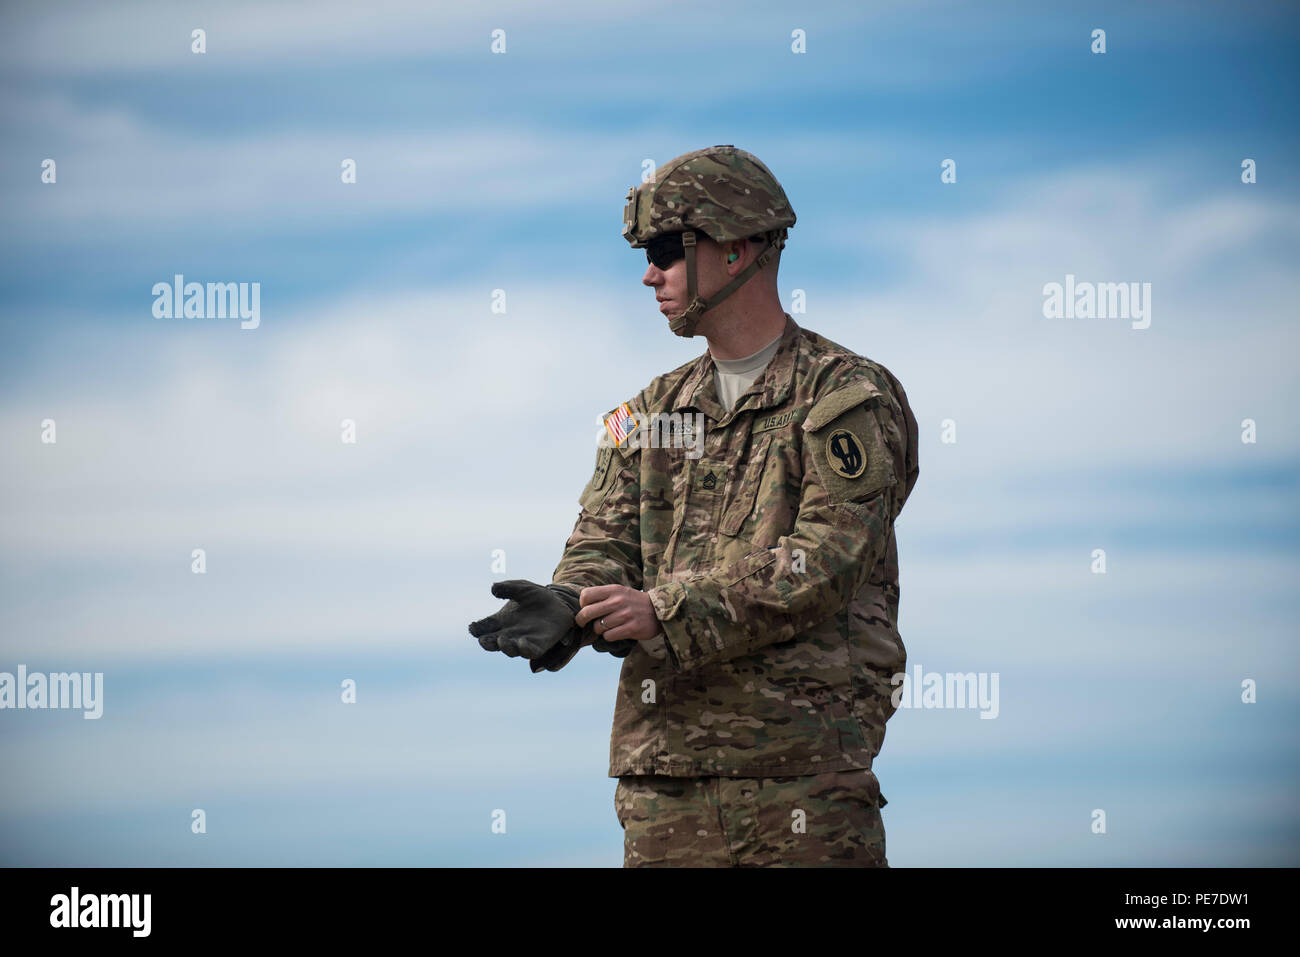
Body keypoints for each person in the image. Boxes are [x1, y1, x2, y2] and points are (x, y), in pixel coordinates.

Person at [469, 145, 919, 867]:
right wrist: (570, 600)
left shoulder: (847, 396)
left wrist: (666, 610)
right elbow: (603, 540)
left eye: (668, 251)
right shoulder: (641, 412)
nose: (651, 273)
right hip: (663, 784)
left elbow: (827, 560)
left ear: (737, 250)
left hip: (801, 779)